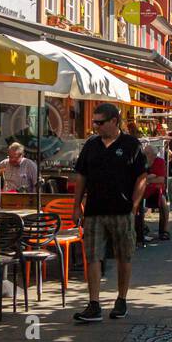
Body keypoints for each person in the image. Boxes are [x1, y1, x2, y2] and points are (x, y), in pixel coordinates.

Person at [72, 102, 148, 323]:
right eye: (94, 121)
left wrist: (134, 205)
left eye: (100, 122)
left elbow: (142, 176)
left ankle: (121, 300)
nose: (95, 126)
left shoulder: (131, 144)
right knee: (93, 256)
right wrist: (76, 206)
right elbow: (81, 177)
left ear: (114, 121)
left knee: (124, 256)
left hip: (121, 210)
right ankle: (94, 303)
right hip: (94, 210)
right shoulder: (91, 145)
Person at [135, 141, 171, 246]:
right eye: (144, 153)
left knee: (164, 204)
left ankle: (164, 230)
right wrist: (150, 177)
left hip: (155, 191)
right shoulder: (140, 161)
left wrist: (146, 180)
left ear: (154, 155)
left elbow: (161, 179)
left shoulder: (159, 162)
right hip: (141, 190)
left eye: (148, 154)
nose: (145, 155)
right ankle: (140, 228)